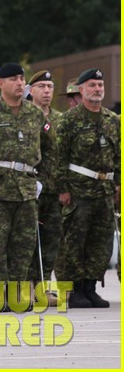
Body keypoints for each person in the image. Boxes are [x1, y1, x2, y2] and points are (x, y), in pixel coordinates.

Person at [0, 63, 50, 306]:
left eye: (21, 79)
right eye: (13, 79)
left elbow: (50, 149)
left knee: (24, 244)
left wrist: (41, 180)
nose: (19, 83)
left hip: (26, 189)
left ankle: (17, 294)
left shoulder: (35, 114)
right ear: (1, 83)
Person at [54, 68, 120, 308]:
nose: (97, 89)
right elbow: (59, 158)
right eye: (92, 85)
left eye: (100, 85)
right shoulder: (69, 120)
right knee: (75, 240)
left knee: (100, 242)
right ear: (81, 90)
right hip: (78, 189)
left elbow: (118, 156)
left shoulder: (113, 120)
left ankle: (91, 287)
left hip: (104, 190)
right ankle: (76, 290)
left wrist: (118, 184)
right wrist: (62, 188)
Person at [25, 69, 62, 301]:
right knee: (28, 238)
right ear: (31, 90)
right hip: (29, 187)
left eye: (50, 87)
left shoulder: (60, 119)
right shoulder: (24, 115)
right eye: (42, 87)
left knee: (51, 239)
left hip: (53, 189)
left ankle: (43, 285)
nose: (47, 91)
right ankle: (27, 284)